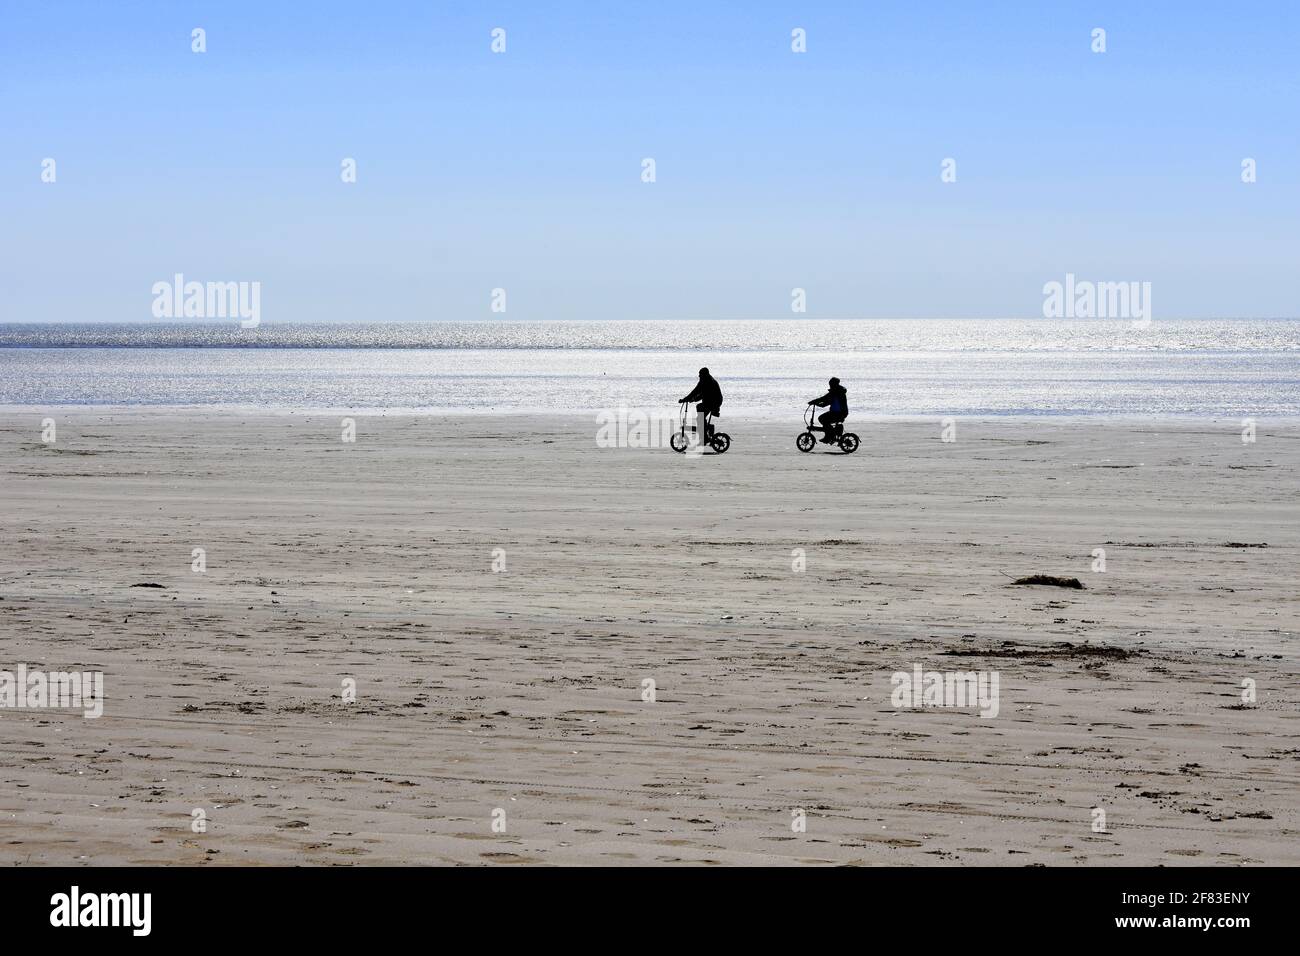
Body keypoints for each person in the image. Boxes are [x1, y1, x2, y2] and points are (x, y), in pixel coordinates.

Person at [679, 367, 723, 441]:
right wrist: (691, 399)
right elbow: (701, 393)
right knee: (699, 410)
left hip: (714, 402)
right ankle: (706, 429)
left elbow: (696, 391)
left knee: (700, 417)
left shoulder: (707, 381)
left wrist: (686, 399)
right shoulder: (705, 380)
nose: (699, 376)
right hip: (710, 401)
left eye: (700, 374)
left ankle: (705, 436)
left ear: (704, 374)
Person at [808, 377, 848, 443]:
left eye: (831, 383)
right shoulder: (837, 391)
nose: (830, 385)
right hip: (836, 412)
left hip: (840, 413)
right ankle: (831, 433)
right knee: (824, 419)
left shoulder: (837, 392)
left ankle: (829, 436)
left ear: (834, 384)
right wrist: (815, 402)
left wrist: (815, 402)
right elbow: (825, 399)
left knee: (822, 419)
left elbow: (826, 400)